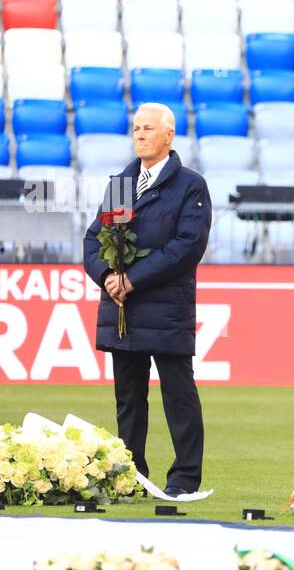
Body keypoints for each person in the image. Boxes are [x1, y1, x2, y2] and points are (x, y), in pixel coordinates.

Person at [82, 103, 212, 495]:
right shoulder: (121, 184)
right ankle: (131, 476)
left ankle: (185, 478)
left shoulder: (190, 185)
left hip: (166, 307)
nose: (140, 135)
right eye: (136, 128)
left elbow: (187, 247)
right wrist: (107, 276)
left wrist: (132, 279)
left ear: (169, 135)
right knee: (128, 399)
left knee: (178, 395)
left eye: (148, 128)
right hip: (122, 308)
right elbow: (94, 240)